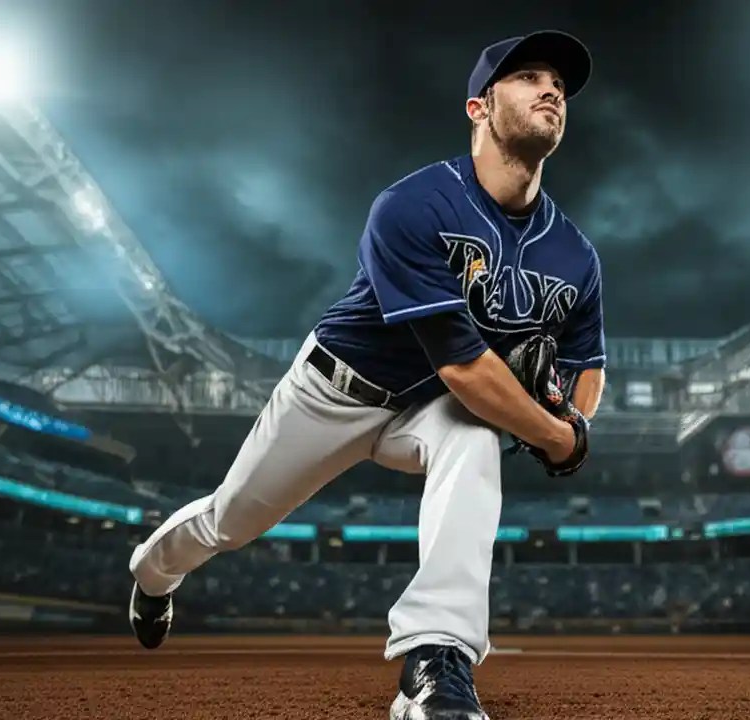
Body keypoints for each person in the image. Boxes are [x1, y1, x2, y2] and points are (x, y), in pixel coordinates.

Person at [126, 30, 606, 719]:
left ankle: (435, 665)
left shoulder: (576, 254)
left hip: (429, 409)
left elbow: (587, 361)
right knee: (231, 521)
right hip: (335, 390)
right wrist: (556, 439)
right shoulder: (415, 205)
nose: (551, 89)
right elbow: (465, 366)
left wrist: (576, 418)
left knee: (470, 443)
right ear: (478, 108)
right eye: (528, 76)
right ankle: (152, 569)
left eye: (558, 83)